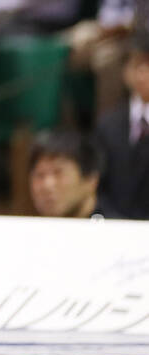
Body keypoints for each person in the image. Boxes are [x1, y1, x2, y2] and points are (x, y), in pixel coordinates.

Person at [93, 32, 149, 219]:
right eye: (136, 65)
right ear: (125, 72)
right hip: (114, 227)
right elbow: (98, 185)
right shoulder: (107, 125)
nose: (143, 73)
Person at [28, 131, 102, 219]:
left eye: (58, 173)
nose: (47, 185)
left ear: (91, 179)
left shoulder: (115, 228)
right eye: (40, 175)